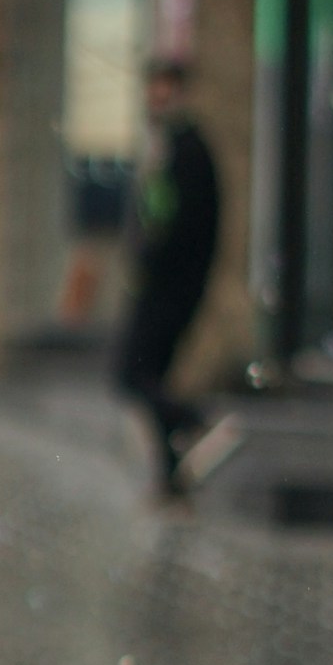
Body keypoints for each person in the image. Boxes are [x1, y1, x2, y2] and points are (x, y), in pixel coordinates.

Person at [115, 57, 222, 500]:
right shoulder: (163, 146)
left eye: (165, 89)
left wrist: (156, 263)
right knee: (151, 375)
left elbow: (186, 226)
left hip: (171, 286)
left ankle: (192, 420)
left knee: (132, 373)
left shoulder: (189, 150)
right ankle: (171, 476)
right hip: (156, 282)